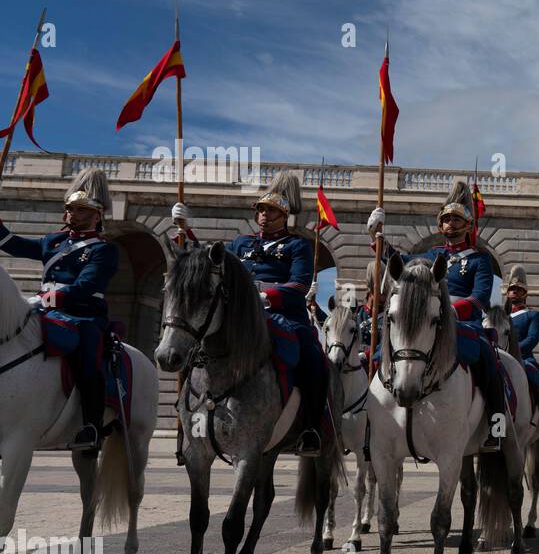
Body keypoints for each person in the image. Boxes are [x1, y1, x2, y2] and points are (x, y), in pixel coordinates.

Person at [172, 171, 328, 455]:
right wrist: (187, 232)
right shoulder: (241, 244)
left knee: (314, 360)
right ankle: (186, 421)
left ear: (285, 216)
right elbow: (211, 263)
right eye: (261, 210)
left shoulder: (296, 246)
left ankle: (311, 428)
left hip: (284, 319)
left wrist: (263, 296)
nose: (264, 216)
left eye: (271, 211)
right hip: (240, 319)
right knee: (190, 348)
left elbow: (298, 285)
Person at [366, 180, 508, 451]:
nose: (450, 224)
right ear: (440, 226)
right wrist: (378, 239)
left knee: (491, 364)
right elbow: (402, 263)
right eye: (446, 220)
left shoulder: (480, 260)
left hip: (462, 322)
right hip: (428, 320)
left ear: (468, 225)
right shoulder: (432, 255)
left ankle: (496, 426)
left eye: (456, 219)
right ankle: (370, 424)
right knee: (378, 358)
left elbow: (479, 299)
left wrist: (450, 310)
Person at [0, 168, 119, 453]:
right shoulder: (52, 242)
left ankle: (91, 425)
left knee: (88, 354)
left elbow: (84, 286)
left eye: (80, 209)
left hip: (83, 315)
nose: (72, 215)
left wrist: (46, 300)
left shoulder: (104, 250)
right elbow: (13, 245)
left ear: (97, 214)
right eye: (69, 209)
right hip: (46, 312)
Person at [505, 264, 539, 444]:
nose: (514, 292)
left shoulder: (531, 315)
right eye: (511, 289)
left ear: (524, 293)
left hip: (524, 358)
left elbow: (533, 338)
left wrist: (513, 350)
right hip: (500, 356)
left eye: (518, 289)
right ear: (507, 293)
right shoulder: (500, 316)